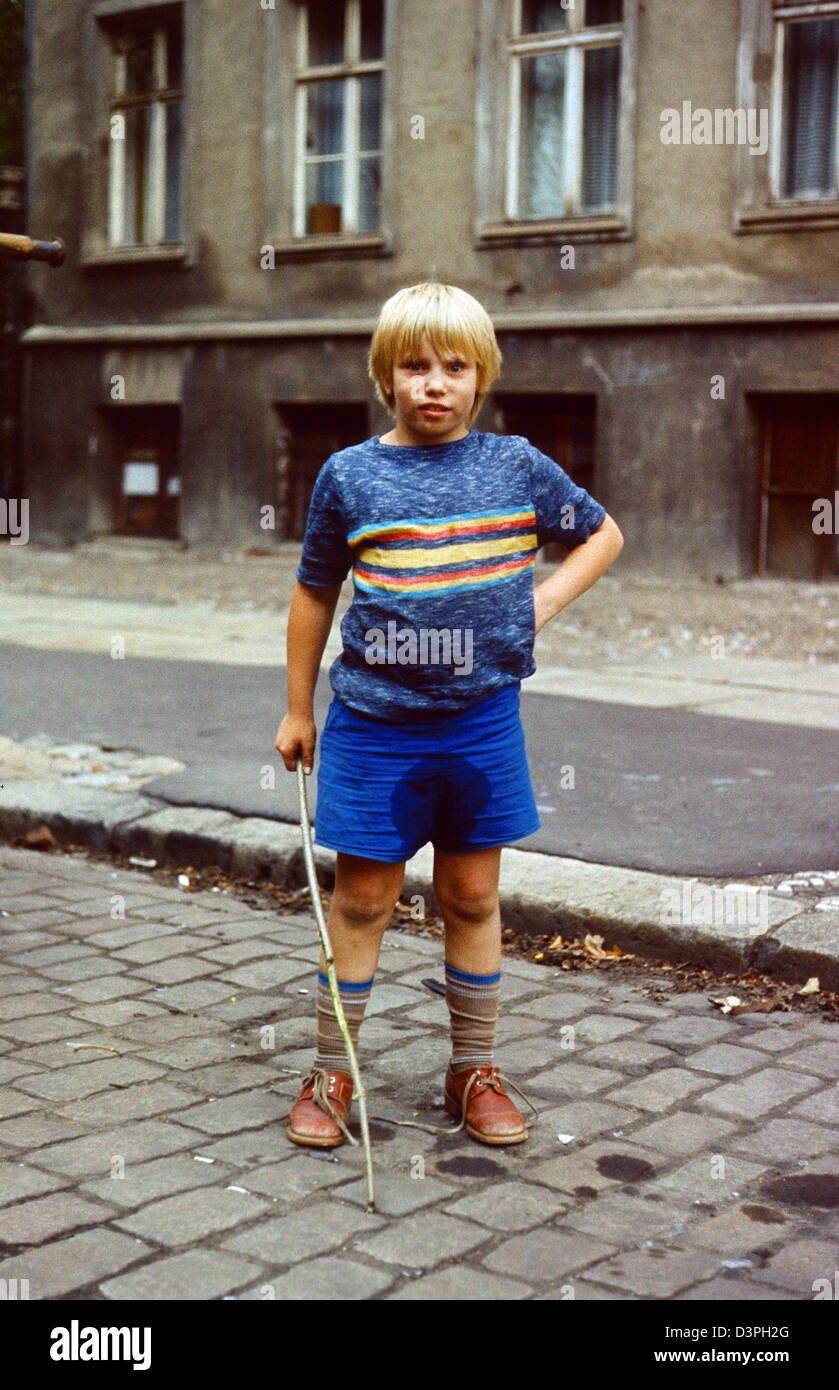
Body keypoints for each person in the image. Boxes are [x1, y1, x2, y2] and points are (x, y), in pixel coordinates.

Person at [274, 281, 623, 1148]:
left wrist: (538, 605)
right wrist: (295, 710)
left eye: (453, 367)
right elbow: (314, 592)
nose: (433, 383)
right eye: (413, 366)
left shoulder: (517, 466)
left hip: (478, 723)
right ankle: (334, 1069)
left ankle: (473, 1069)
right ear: (385, 377)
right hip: (373, 724)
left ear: (481, 377)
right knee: (361, 900)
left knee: (472, 894)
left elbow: (603, 534)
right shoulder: (349, 474)